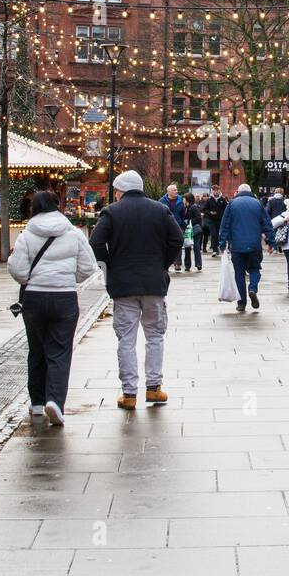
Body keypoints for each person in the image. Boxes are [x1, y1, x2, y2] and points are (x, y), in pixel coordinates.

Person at [91, 170, 183, 410]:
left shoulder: (111, 211)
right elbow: (177, 239)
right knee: (155, 336)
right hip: (154, 283)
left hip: (123, 286)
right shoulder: (159, 209)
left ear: (120, 192)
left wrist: (109, 266)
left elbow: (96, 242)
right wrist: (162, 263)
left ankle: (129, 393)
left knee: (126, 339)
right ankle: (154, 388)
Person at [8, 191, 98, 426]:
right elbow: (88, 267)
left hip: (35, 298)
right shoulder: (74, 233)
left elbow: (18, 270)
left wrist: (31, 277)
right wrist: (69, 278)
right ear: (57, 206)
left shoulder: (26, 235)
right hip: (64, 297)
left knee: (36, 350)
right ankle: (55, 401)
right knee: (59, 351)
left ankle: (37, 402)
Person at [219, 183, 275, 312]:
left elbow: (225, 225)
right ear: (250, 191)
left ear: (238, 191)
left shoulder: (231, 204)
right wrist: (271, 242)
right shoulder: (258, 204)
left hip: (237, 246)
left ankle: (241, 303)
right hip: (254, 245)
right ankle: (252, 288)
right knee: (254, 269)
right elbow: (267, 224)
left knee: (239, 274)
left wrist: (222, 244)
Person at [158, 183, 186, 271]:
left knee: (178, 243)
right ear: (169, 191)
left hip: (178, 225)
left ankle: (177, 263)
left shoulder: (181, 200)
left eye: (176, 189)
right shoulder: (161, 201)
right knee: (165, 245)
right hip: (165, 226)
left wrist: (182, 223)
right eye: (174, 190)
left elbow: (183, 214)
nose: (176, 191)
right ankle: (166, 264)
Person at [182, 192, 204, 272]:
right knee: (187, 246)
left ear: (187, 199)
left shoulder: (193, 207)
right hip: (188, 230)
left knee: (196, 247)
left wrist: (188, 221)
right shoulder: (186, 207)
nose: (183, 200)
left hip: (195, 230)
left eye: (184, 198)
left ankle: (198, 264)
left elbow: (198, 218)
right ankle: (187, 265)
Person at [203, 187, 228, 254]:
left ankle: (218, 247)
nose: (216, 191)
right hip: (211, 220)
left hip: (220, 220)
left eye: (217, 190)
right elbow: (205, 209)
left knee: (218, 234)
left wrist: (223, 215)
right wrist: (210, 212)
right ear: (212, 191)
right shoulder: (209, 200)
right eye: (214, 190)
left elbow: (226, 209)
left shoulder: (222, 199)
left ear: (219, 191)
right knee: (213, 234)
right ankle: (214, 249)